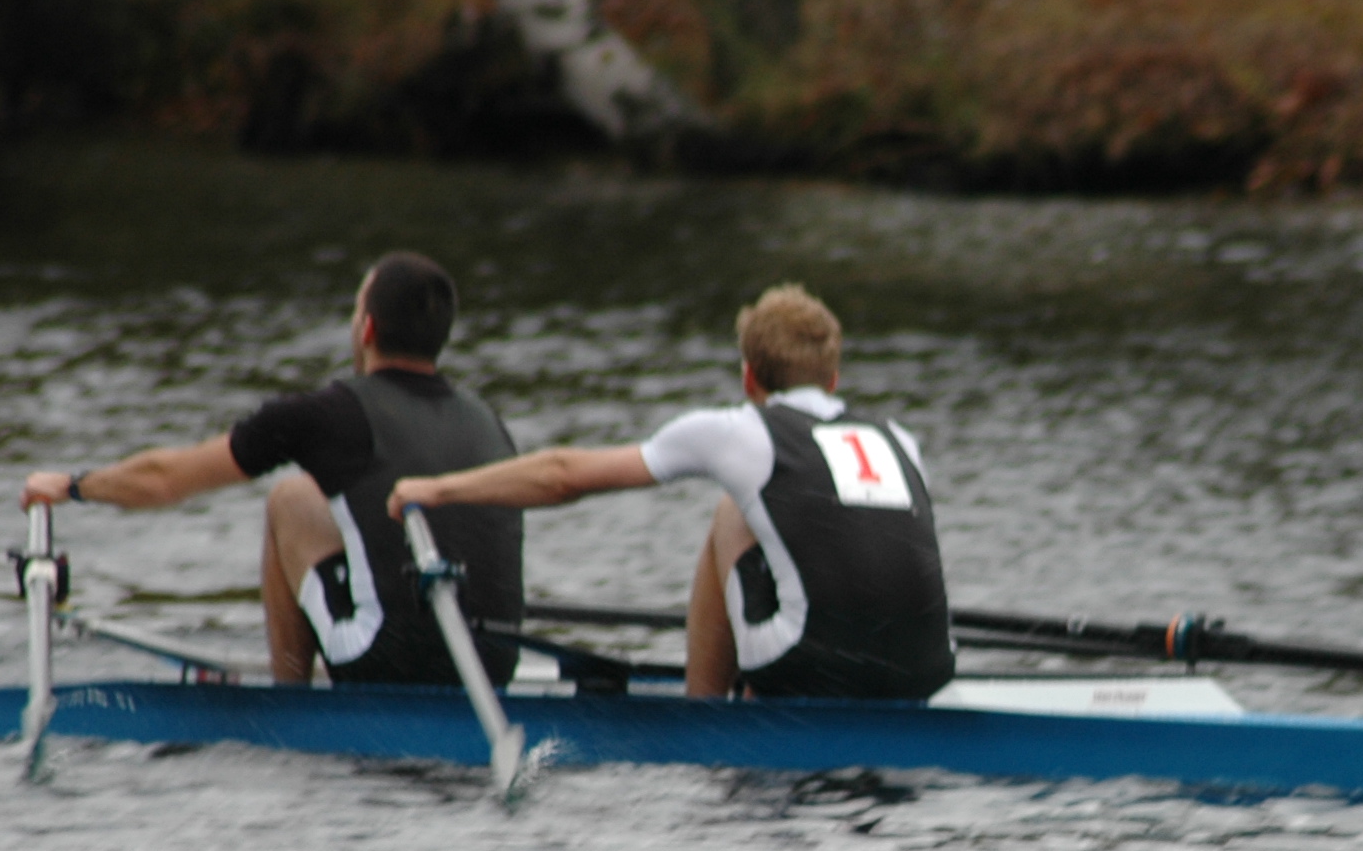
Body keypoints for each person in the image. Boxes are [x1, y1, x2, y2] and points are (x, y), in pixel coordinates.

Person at [389, 284, 952, 701]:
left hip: (810, 665)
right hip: (929, 670)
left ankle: (702, 714)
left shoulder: (740, 430)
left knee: (733, 514)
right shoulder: (900, 439)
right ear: (833, 379)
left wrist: (437, 489)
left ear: (749, 378)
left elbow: (565, 475)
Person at [19, 252, 522, 687]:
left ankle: (290, 698)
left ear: (366, 328)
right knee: (331, 504)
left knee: (289, 500)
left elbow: (166, 478)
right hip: (493, 666)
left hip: (387, 663)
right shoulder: (488, 420)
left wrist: (73, 486)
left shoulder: (327, 414)